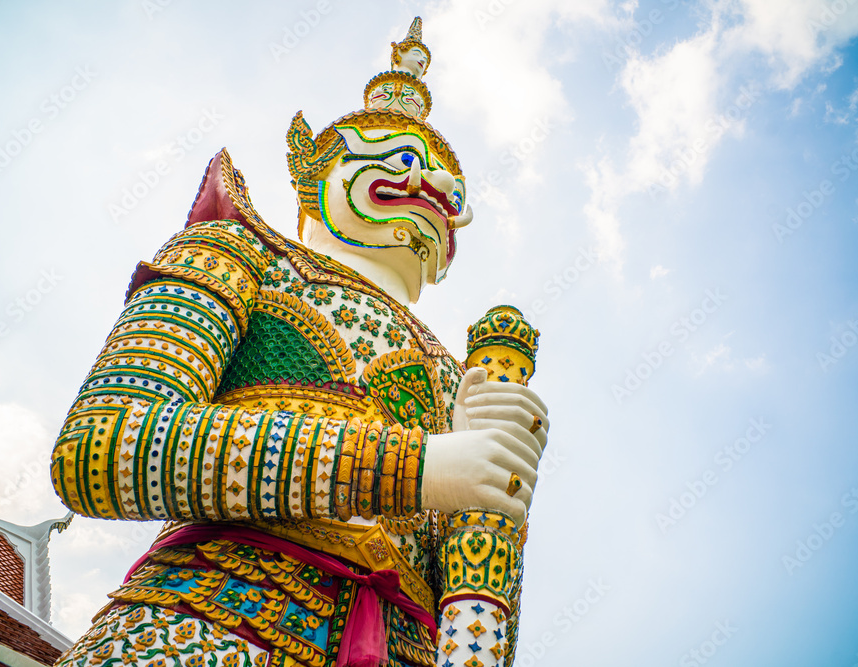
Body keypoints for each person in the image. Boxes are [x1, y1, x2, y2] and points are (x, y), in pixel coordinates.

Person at [51, 17, 549, 667]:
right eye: (401, 158)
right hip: (203, 623)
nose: (429, 186)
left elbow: (476, 580)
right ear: (315, 168)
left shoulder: (459, 378)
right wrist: (415, 467)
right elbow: (106, 443)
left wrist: (495, 493)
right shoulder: (238, 251)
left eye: (446, 185)